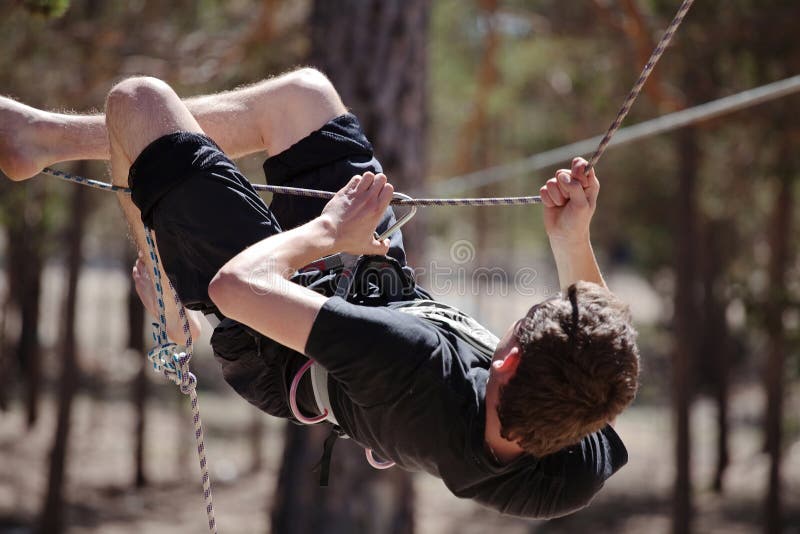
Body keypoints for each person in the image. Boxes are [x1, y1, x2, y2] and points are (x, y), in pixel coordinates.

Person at [0, 68, 639, 518]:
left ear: (510, 360)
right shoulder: (566, 468)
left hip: (271, 344)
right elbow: (601, 372)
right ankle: (46, 140)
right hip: (370, 296)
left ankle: (168, 308)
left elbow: (240, 286)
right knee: (302, 99)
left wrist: (329, 232)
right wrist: (571, 237)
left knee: (137, 100)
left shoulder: (414, 360)